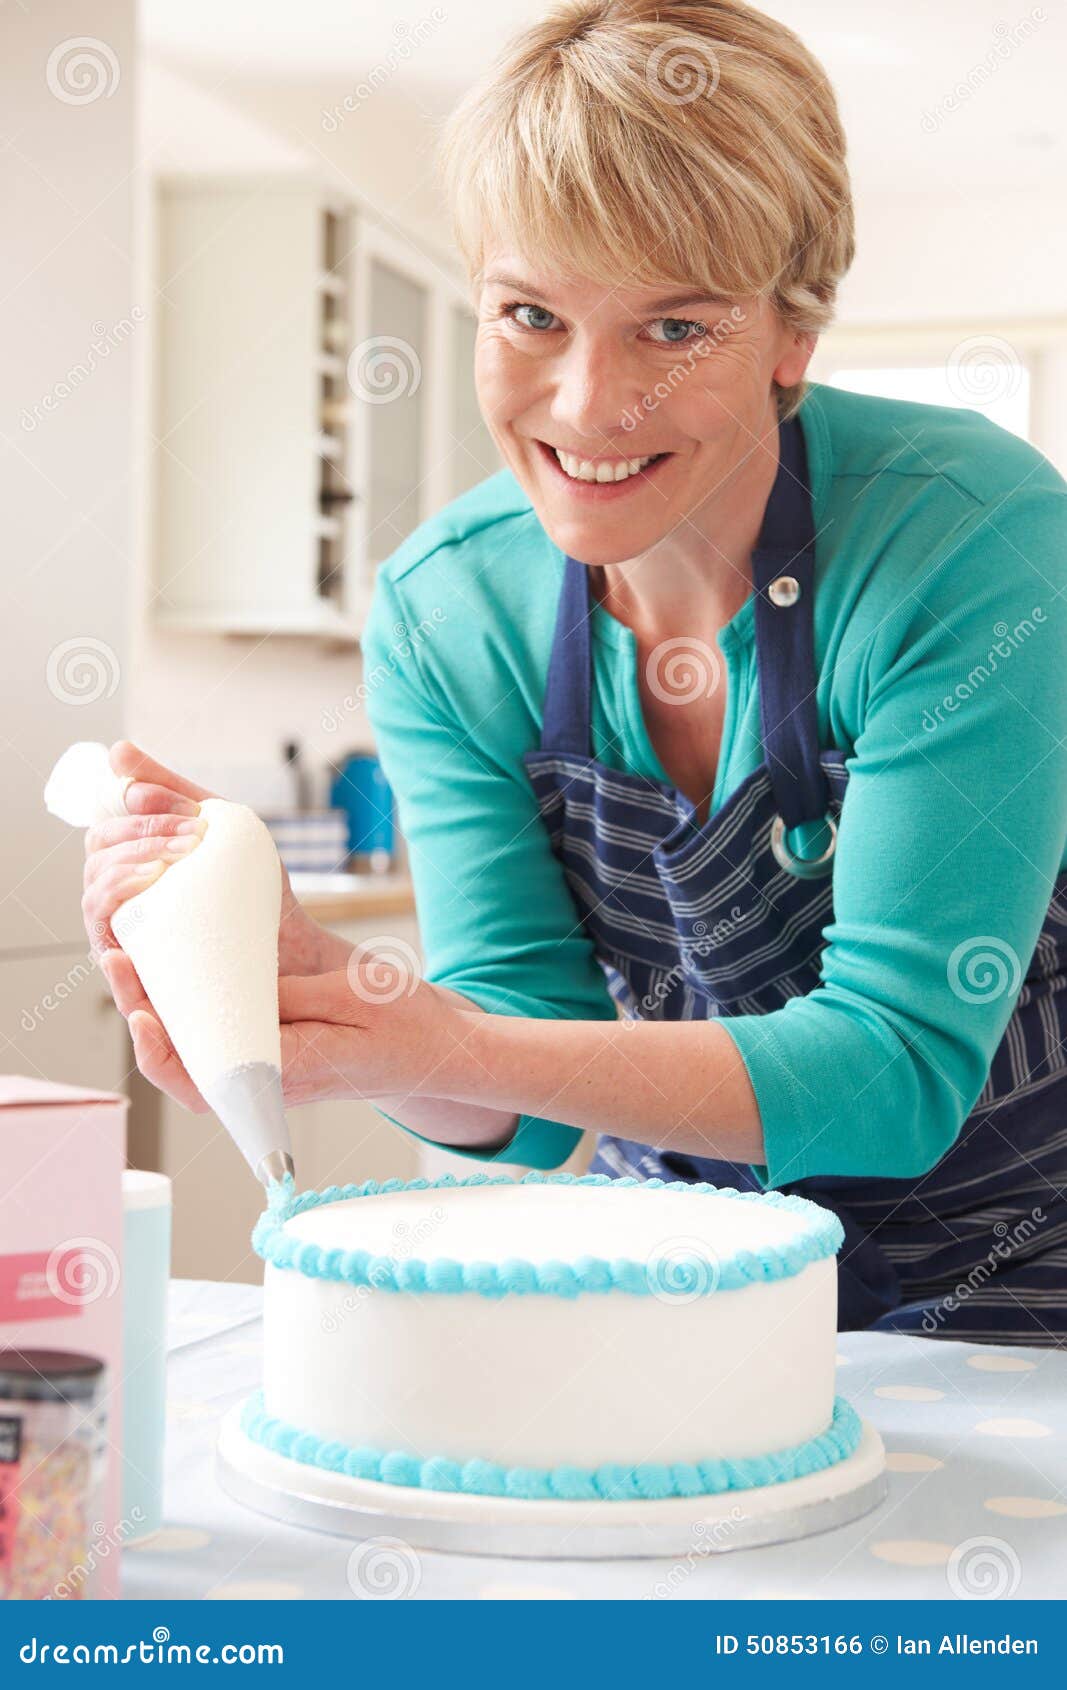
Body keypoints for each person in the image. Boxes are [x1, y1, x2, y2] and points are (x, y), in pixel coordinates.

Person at [83, 0, 1067, 1343]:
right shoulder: (449, 610)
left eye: (677, 330)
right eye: (533, 313)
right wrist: (334, 1005)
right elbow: (528, 1092)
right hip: (676, 1280)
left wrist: (439, 1038)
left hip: (1022, 1285)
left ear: (794, 333)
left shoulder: (970, 537)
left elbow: (897, 1068)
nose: (591, 405)